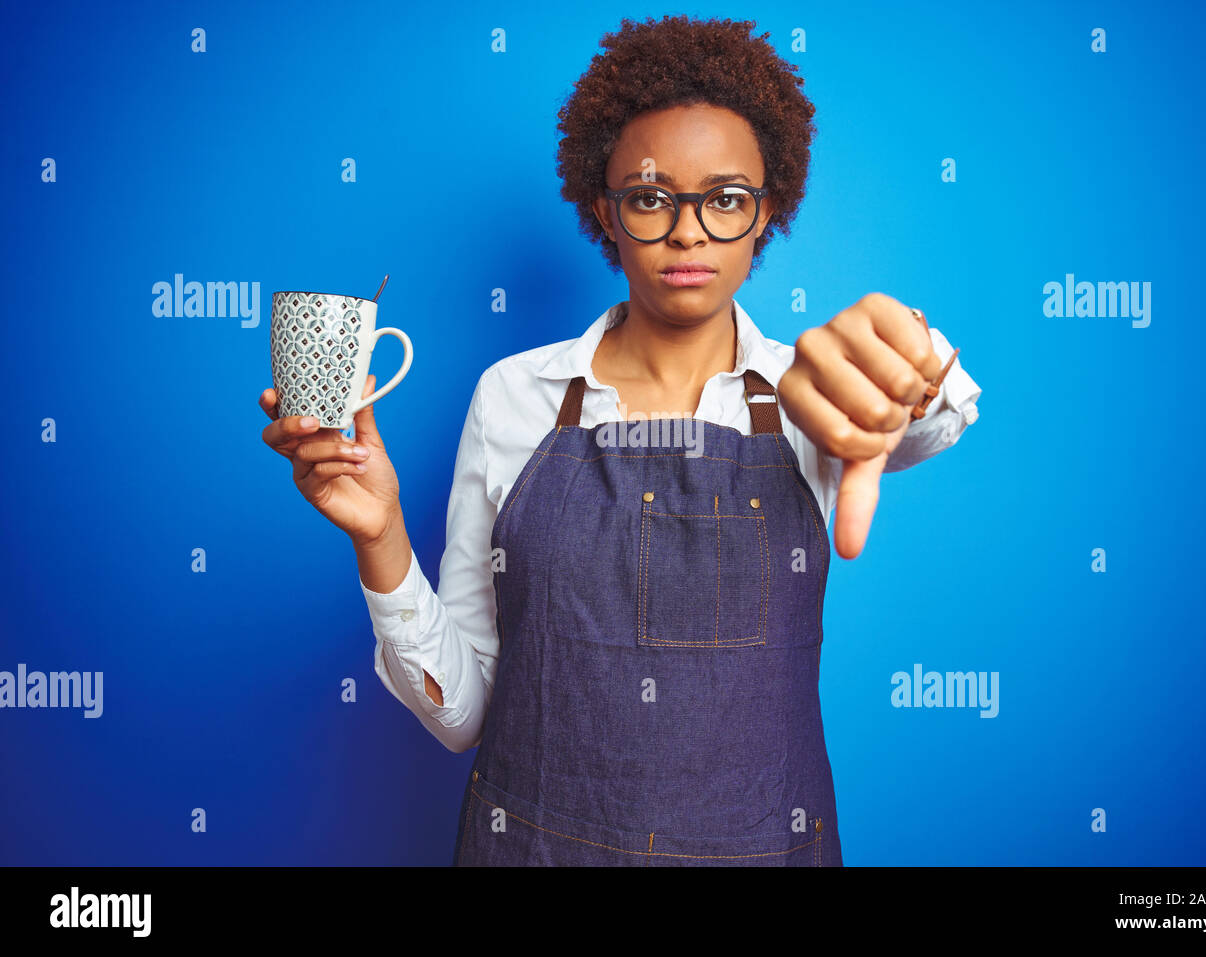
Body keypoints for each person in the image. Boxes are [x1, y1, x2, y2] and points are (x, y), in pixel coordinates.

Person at [259, 14, 981, 866]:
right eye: (650, 197)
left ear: (767, 212)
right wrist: (380, 536)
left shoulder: (816, 394)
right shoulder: (512, 398)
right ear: (605, 209)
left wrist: (910, 360)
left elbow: (936, 413)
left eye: (724, 199)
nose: (687, 231)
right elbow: (461, 716)